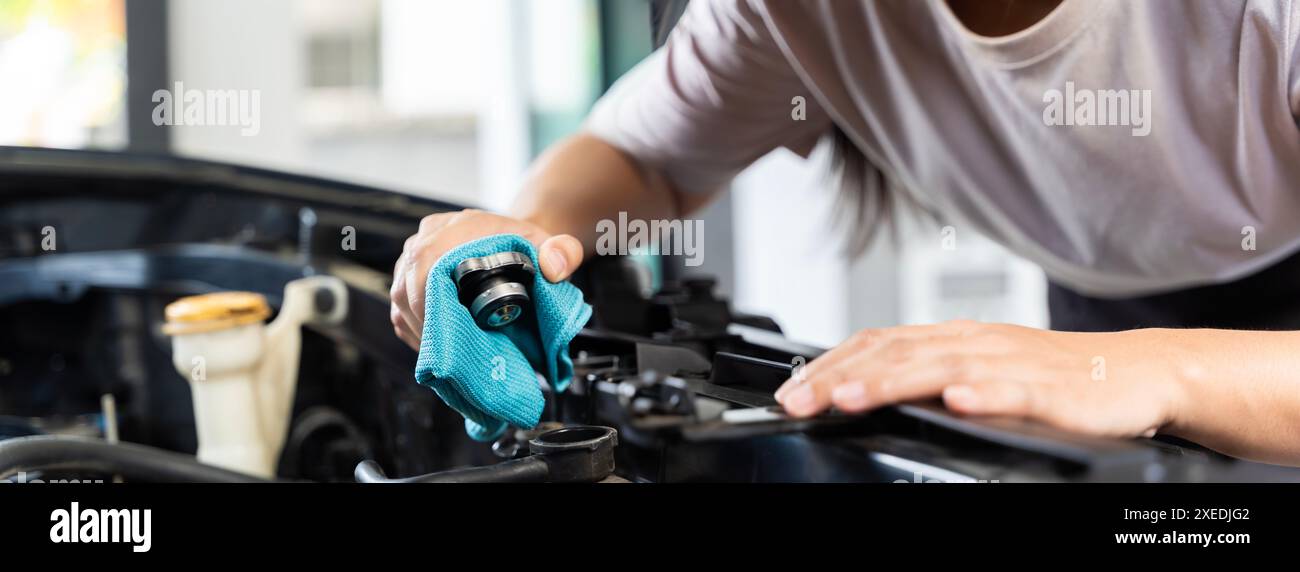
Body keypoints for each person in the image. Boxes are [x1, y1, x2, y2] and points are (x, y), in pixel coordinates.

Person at [390, 0, 1300, 466]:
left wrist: (1169, 369)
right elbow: (644, 161)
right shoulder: (787, 13)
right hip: (1110, 323)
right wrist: (521, 237)